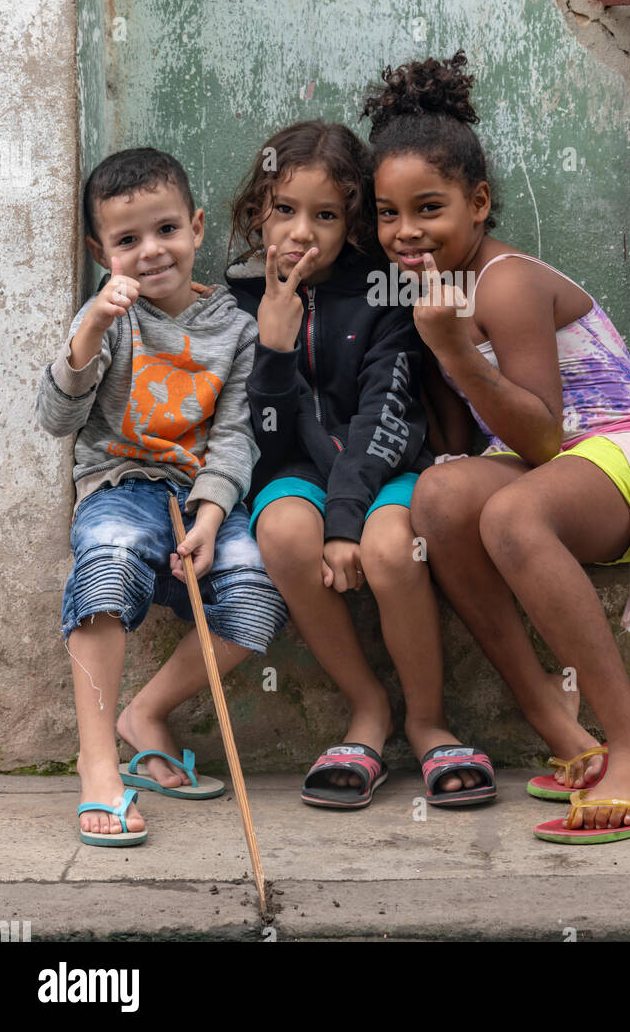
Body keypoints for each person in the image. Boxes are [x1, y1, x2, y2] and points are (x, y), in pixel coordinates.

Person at [361, 51, 630, 843]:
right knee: (441, 497)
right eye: (388, 214)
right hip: (555, 464)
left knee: (513, 518)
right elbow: (470, 441)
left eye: (429, 208)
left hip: (622, 453)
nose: (406, 232)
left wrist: (451, 353)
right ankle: (560, 727)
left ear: (478, 204)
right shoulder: (431, 294)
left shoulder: (506, 283)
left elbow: (545, 436)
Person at [226, 119, 495, 808]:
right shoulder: (237, 301)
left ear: (353, 224)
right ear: (257, 212)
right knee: (283, 532)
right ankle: (368, 709)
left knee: (390, 549)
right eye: (283, 210)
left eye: (326, 216)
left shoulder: (387, 296)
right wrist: (275, 349)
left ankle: (429, 722)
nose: (300, 232)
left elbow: (384, 418)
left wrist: (345, 519)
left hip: (382, 468)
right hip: (295, 471)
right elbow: (268, 436)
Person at [35, 148, 286, 846]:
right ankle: (98, 766)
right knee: (108, 558)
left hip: (201, 497)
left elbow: (235, 437)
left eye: (166, 230)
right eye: (126, 241)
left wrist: (210, 518)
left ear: (197, 228)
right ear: (100, 250)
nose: (150, 253)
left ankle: (144, 713)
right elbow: (56, 420)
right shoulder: (109, 317)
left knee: (259, 590)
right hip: (118, 487)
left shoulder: (235, 330)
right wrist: (88, 331)